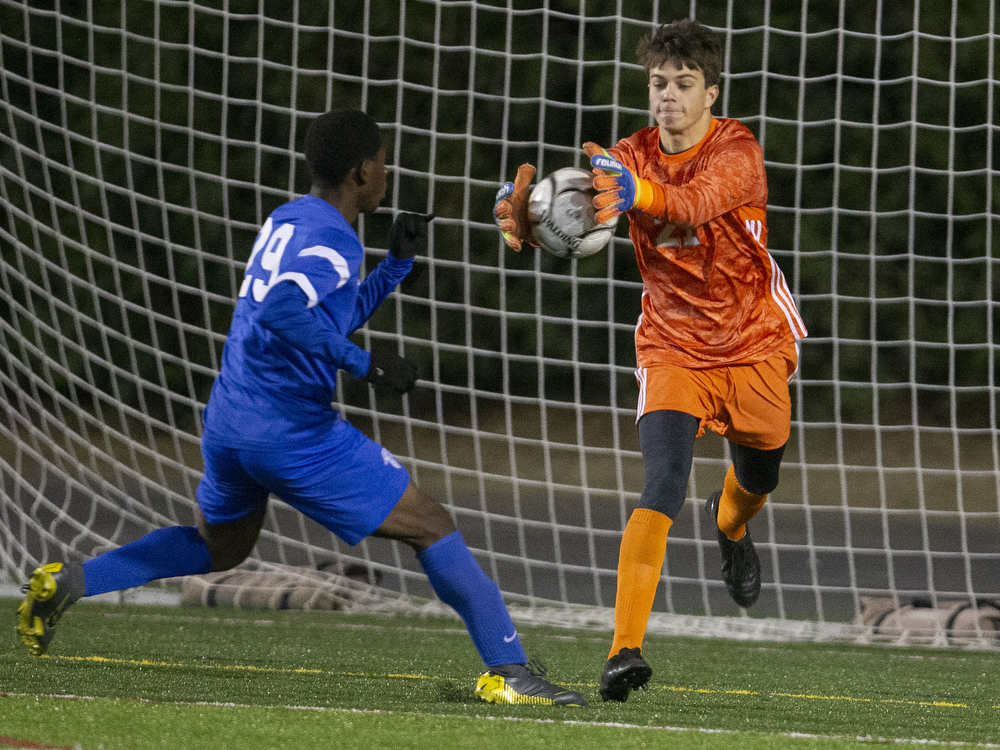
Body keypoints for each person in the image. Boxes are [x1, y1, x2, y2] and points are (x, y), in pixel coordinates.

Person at [17, 108, 586, 708]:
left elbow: (322, 311)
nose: (387, 172)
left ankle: (73, 581)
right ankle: (509, 671)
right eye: (383, 162)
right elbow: (282, 311)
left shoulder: (290, 218)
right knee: (432, 524)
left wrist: (394, 267)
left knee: (221, 547)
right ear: (363, 172)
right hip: (291, 431)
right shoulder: (334, 239)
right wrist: (365, 365)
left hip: (231, 419)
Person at [494, 19, 807, 702]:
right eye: (659, 83)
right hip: (671, 344)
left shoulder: (738, 151)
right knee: (662, 481)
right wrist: (533, 221)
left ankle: (731, 526)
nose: (668, 96)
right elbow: (584, 214)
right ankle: (622, 651)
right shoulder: (625, 157)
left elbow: (693, 202)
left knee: (761, 468)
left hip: (753, 339)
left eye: (683, 84)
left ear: (710, 92)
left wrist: (640, 193)